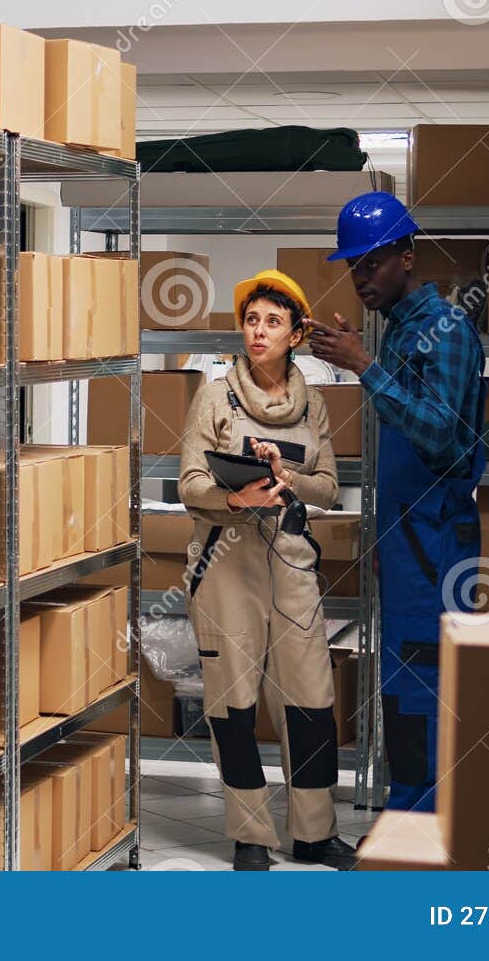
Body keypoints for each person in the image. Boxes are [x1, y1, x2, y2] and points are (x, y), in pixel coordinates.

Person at [303, 191, 486, 813]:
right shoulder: (401, 332)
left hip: (435, 538)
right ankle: (409, 812)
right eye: (354, 266)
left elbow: (439, 433)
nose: (362, 277)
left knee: (424, 680)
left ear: (407, 256)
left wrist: (365, 367)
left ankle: (424, 824)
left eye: (373, 262)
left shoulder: (447, 330)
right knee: (403, 681)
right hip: (407, 536)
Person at [177, 269, 356, 871]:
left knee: (311, 700)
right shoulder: (215, 395)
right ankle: (250, 835)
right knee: (233, 704)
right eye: (251, 319)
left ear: (296, 335)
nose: (258, 331)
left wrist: (286, 475)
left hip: (292, 561)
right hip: (227, 565)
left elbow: (327, 488)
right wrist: (236, 498)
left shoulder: (313, 404)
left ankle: (315, 832)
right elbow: (189, 484)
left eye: (273, 322)